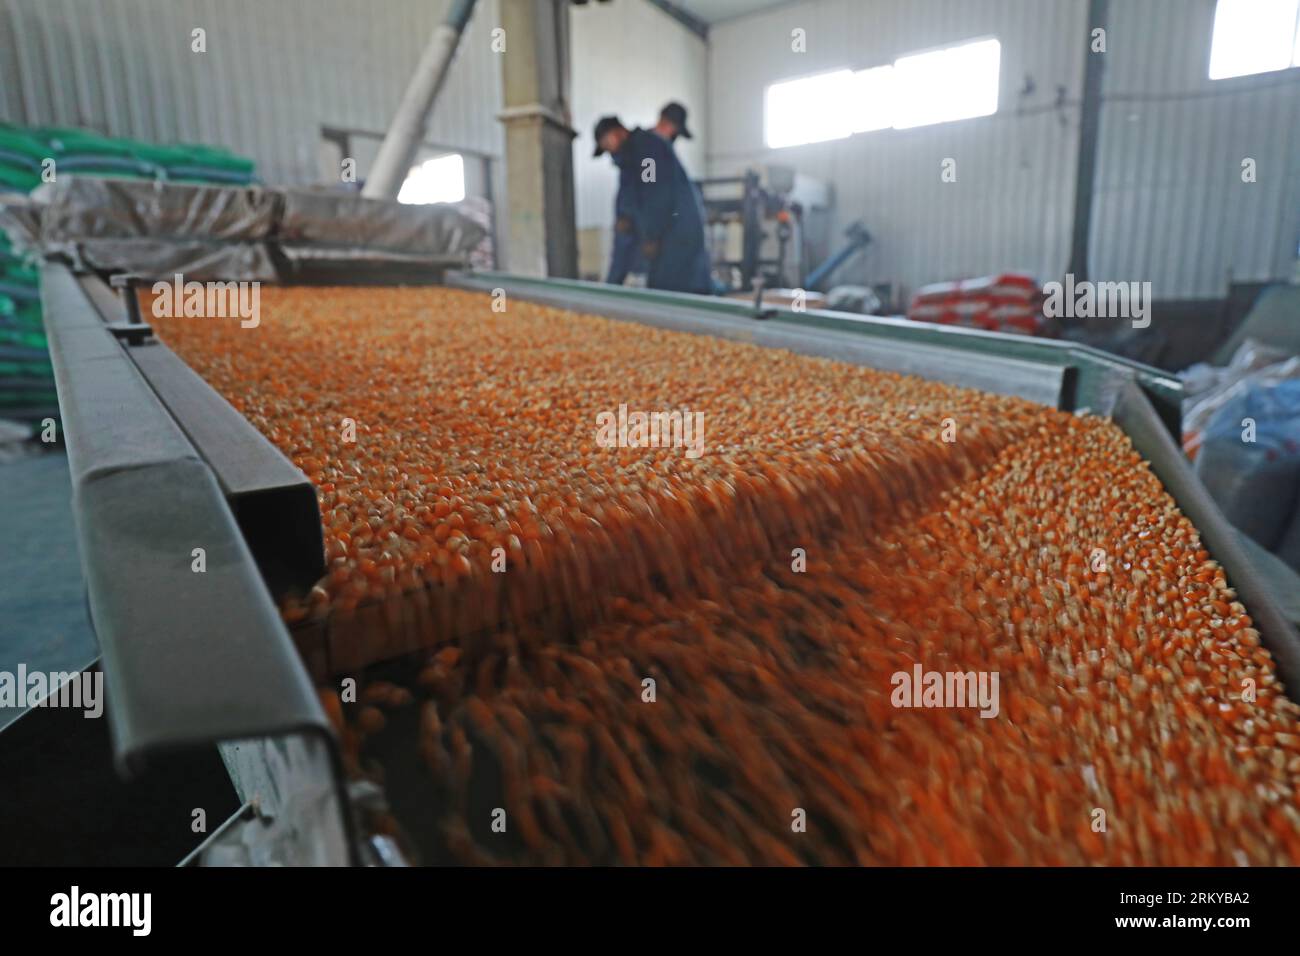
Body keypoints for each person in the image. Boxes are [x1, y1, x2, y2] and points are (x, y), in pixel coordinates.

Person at [593, 114, 711, 296]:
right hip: (666, 237)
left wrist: (651, 235)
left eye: (607, 144)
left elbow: (654, 193)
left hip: (676, 237)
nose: (610, 152)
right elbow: (633, 207)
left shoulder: (647, 151)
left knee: (675, 294)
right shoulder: (631, 161)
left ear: (618, 133)